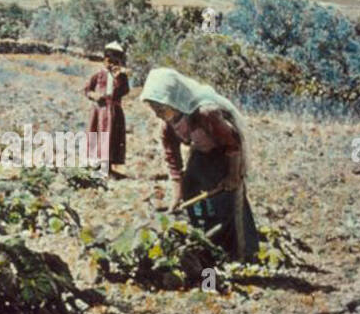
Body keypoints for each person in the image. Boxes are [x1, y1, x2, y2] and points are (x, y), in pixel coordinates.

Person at [140, 66, 259, 261]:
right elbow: (173, 160)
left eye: (161, 109)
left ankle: (241, 252)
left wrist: (232, 175)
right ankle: (204, 237)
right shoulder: (167, 126)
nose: (157, 114)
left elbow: (232, 143)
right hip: (203, 148)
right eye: (154, 109)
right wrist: (177, 195)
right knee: (191, 186)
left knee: (227, 199)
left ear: (174, 100)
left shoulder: (205, 112)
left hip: (228, 151)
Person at [84, 41, 129, 175]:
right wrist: (94, 95)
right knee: (98, 134)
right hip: (100, 110)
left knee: (112, 136)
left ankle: (108, 166)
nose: (111, 64)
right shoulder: (98, 74)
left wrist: (118, 78)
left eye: (115, 62)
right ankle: (95, 164)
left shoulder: (121, 76)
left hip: (113, 110)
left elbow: (124, 91)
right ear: (104, 60)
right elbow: (87, 89)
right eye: (109, 61)